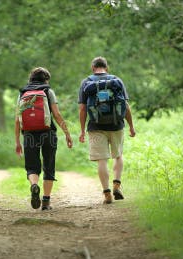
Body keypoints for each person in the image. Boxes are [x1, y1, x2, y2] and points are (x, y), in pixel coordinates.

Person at [78, 56, 136, 204]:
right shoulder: (116, 80)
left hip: (96, 126)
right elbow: (126, 106)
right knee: (118, 155)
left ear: (93, 68)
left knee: (102, 160)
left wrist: (82, 130)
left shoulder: (87, 82)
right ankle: (117, 184)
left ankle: (107, 194)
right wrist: (131, 126)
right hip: (117, 125)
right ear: (106, 67)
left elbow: (83, 108)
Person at [15, 67, 73, 210]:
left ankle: (34, 185)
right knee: (49, 165)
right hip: (48, 133)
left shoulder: (23, 93)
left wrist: (17, 141)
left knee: (32, 166)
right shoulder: (48, 91)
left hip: (28, 134)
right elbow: (57, 115)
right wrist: (67, 133)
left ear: (31, 78)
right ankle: (46, 202)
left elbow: (17, 119)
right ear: (46, 79)